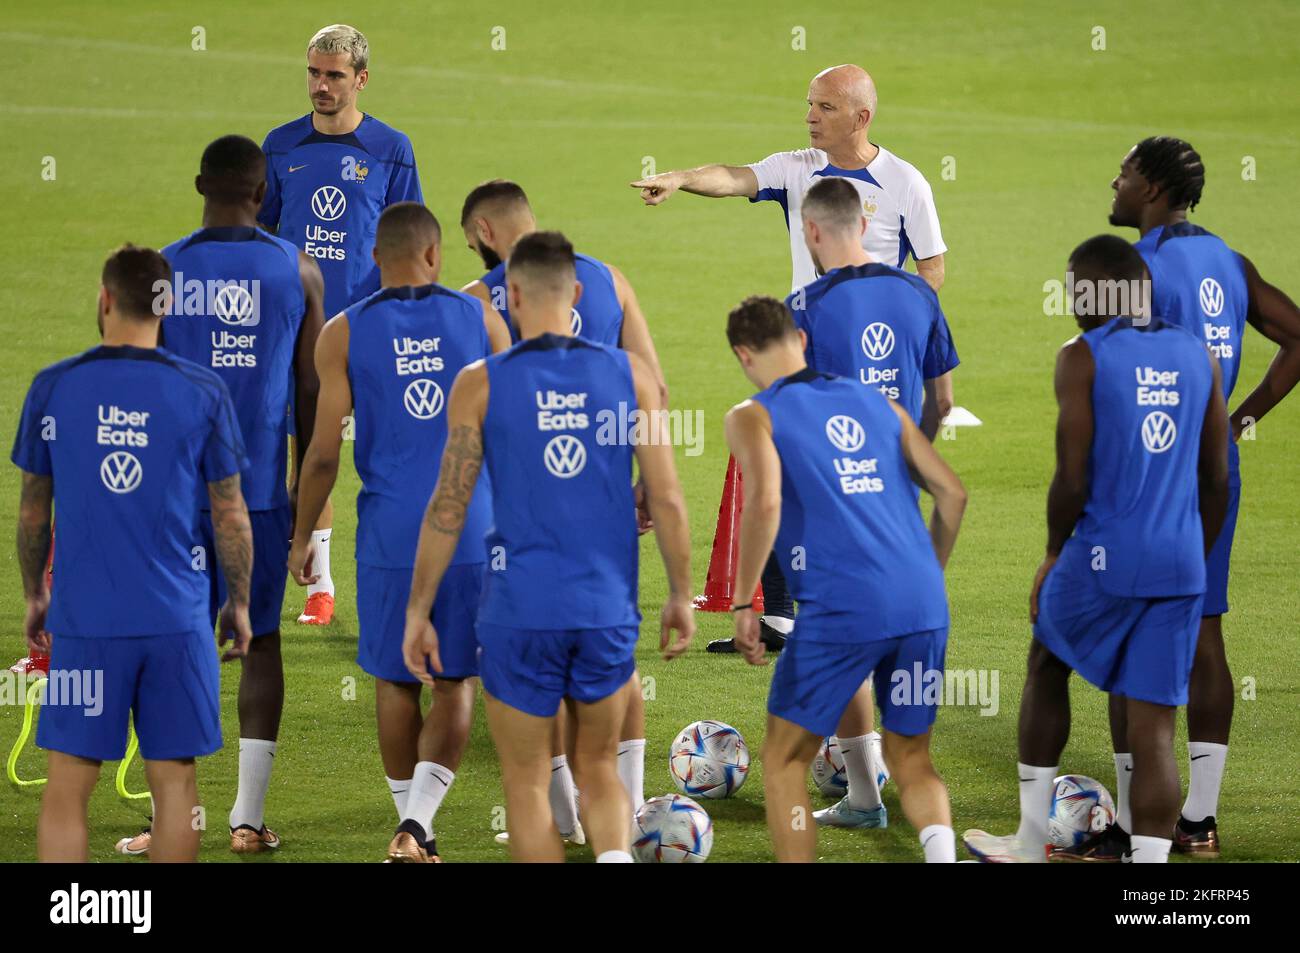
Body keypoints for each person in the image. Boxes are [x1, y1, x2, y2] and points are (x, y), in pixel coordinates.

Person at [402, 231, 695, 862]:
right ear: (578, 294)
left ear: (509, 298)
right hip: (604, 608)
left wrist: (418, 609)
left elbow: (448, 507)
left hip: (518, 612)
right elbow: (666, 499)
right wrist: (679, 593)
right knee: (598, 769)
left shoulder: (478, 385)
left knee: (527, 784)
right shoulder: (632, 376)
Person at [633, 64, 947, 648]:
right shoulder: (796, 168)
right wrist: (680, 178)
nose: (810, 117)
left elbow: (932, 267)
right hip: (803, 346)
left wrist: (894, 315)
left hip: (868, 357)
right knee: (775, 467)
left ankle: (852, 603)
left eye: (825, 108)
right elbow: (733, 177)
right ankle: (779, 614)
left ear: (862, 117)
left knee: (843, 478)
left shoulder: (907, 183)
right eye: (809, 105)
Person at [963, 235, 1230, 864]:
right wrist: (1193, 551)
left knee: (1047, 661)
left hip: (1104, 557)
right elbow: (1215, 476)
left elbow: (1071, 476)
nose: (1071, 298)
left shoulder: (1083, 356)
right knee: (1155, 724)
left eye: (1074, 286)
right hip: (1180, 563)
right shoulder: (1201, 356)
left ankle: (1030, 841)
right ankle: (1150, 868)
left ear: (1097, 291)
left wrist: (1055, 553)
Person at [12, 245, 254, 862]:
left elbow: (34, 513)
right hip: (175, 621)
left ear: (104, 300)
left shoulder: (54, 387)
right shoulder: (203, 391)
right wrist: (240, 603)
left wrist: (37, 594)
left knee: (68, 787)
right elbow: (229, 513)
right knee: (175, 784)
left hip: (85, 622)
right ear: (166, 307)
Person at [289, 203, 509, 862]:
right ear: (436, 255)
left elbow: (323, 452)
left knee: (393, 678)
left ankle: (412, 825)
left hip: (388, 536)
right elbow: (518, 414)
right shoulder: (480, 316)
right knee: (455, 678)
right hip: (471, 526)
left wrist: (303, 535)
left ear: (373, 259)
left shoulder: (343, 332)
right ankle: (419, 822)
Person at [129, 135, 325, 857]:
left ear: (198, 184)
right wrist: (308, 486)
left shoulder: (164, 269)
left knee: (171, 643)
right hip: (262, 495)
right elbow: (310, 387)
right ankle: (247, 817)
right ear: (263, 192)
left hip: (174, 496)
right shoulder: (296, 268)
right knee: (262, 641)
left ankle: (167, 818)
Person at [1105, 137, 1300, 856]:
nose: (1114, 182)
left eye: (1123, 173)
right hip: (1216, 466)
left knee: (1128, 635)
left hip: (1153, 475)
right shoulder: (1228, 260)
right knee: (1205, 630)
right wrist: (1240, 419)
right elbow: (1298, 334)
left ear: (1152, 189)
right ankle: (1199, 819)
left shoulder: (1141, 269)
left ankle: (1131, 827)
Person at [722, 295, 966, 862]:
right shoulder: (881, 405)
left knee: (784, 761)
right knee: (911, 758)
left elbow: (763, 504)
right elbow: (952, 495)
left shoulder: (752, 415)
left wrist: (742, 602)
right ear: (801, 341)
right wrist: (924, 577)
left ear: (742, 355)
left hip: (843, 609)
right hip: (921, 604)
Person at [459, 179, 666, 843]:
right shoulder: (610, 280)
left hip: (518, 512)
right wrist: (643, 481)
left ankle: (561, 813)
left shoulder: (473, 301)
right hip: (604, 506)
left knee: (530, 671)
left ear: (486, 234)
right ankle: (625, 810)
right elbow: (653, 383)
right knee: (608, 657)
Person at [259, 23, 424, 626]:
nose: (321, 85)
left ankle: (405, 580)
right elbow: (260, 234)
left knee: (390, 457)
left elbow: (409, 240)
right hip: (295, 332)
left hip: (367, 331)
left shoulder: (391, 148)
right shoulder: (279, 145)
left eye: (333, 75)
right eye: (313, 72)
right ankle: (319, 587)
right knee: (304, 451)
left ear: (360, 79)